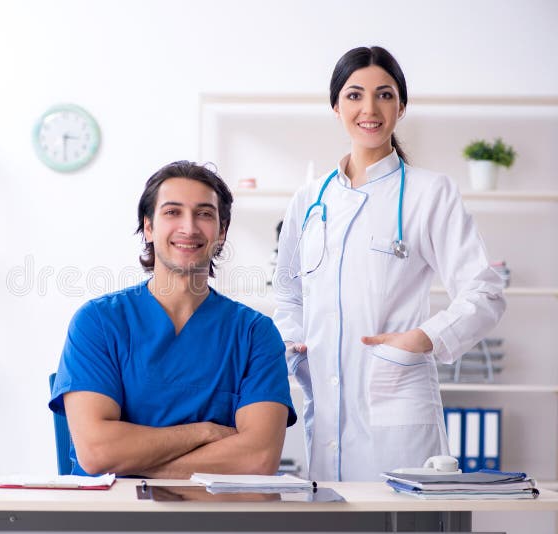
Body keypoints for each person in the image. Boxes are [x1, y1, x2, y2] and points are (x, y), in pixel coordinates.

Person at [273, 46, 506, 482]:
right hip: (324, 406)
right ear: (336, 106)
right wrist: (294, 340)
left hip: (397, 403)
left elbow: (485, 290)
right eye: (354, 95)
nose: (370, 109)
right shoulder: (309, 200)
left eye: (384, 95)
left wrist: (423, 337)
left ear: (401, 106)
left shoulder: (429, 193)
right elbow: (288, 291)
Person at [50, 160, 296, 477]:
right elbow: (97, 452)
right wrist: (206, 432)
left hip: (216, 520)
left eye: (205, 214)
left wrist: (134, 464)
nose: (189, 227)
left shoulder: (254, 334)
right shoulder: (98, 323)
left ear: (221, 232)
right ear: (149, 227)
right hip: (112, 518)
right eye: (172, 212)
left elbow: (258, 458)